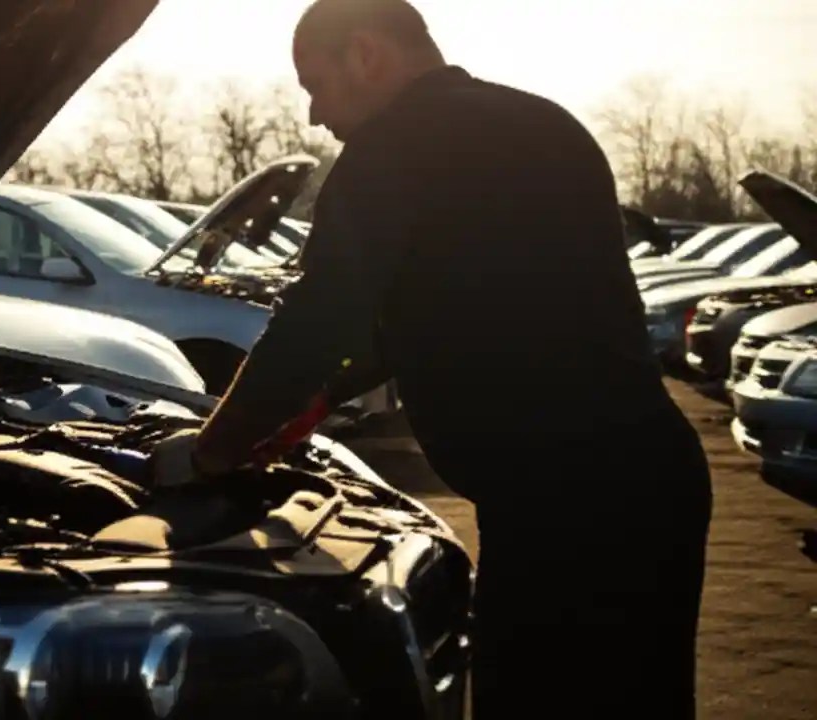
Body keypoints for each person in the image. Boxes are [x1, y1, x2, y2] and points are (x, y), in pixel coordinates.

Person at [147, 1, 713, 718]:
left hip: (564, 513)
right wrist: (303, 415)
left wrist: (212, 452)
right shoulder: (546, 125)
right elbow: (424, 320)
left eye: (314, 85)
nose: (316, 116)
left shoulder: (395, 145)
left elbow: (320, 318)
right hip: (654, 481)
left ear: (366, 53)